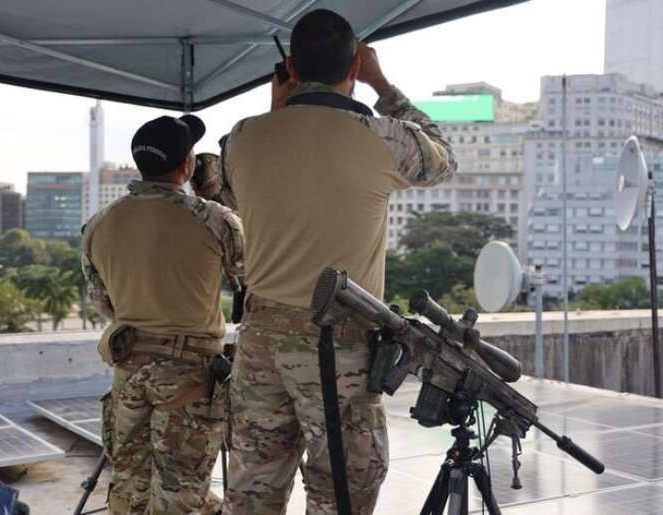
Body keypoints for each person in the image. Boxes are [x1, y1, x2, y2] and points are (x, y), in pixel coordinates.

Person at [207, 8, 456, 515]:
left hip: (259, 346)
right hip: (336, 346)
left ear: (291, 69)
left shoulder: (242, 138)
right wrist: (382, 83)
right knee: (343, 490)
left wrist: (277, 112)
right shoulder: (381, 136)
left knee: (252, 492)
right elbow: (444, 156)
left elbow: (232, 197)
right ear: (353, 68)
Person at [81, 114, 244, 515]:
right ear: (187, 165)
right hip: (188, 376)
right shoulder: (214, 219)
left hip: (128, 372)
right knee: (180, 493)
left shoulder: (99, 224)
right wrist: (219, 195)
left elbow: (103, 303)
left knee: (130, 488)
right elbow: (253, 272)